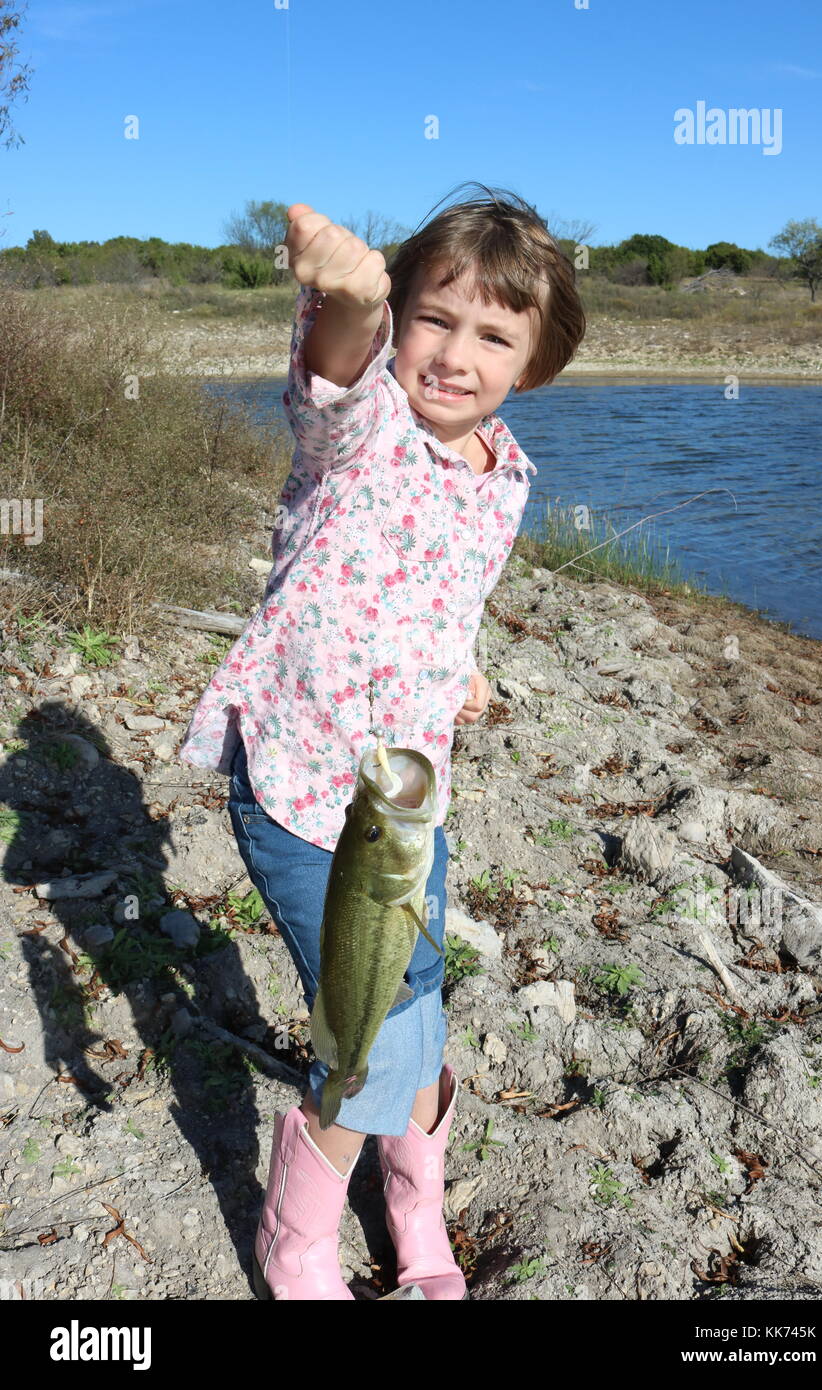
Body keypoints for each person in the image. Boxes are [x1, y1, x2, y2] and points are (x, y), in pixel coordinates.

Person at [177, 181, 586, 1300]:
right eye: (431, 319)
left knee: (420, 1000)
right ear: (398, 318)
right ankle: (296, 1236)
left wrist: (460, 666)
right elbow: (334, 376)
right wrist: (350, 296)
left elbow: (437, 595)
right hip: (308, 787)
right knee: (372, 1019)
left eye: (493, 336)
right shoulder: (361, 433)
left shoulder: (500, 475)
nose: (454, 355)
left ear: (534, 361)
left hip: (413, 801)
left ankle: (415, 1207)